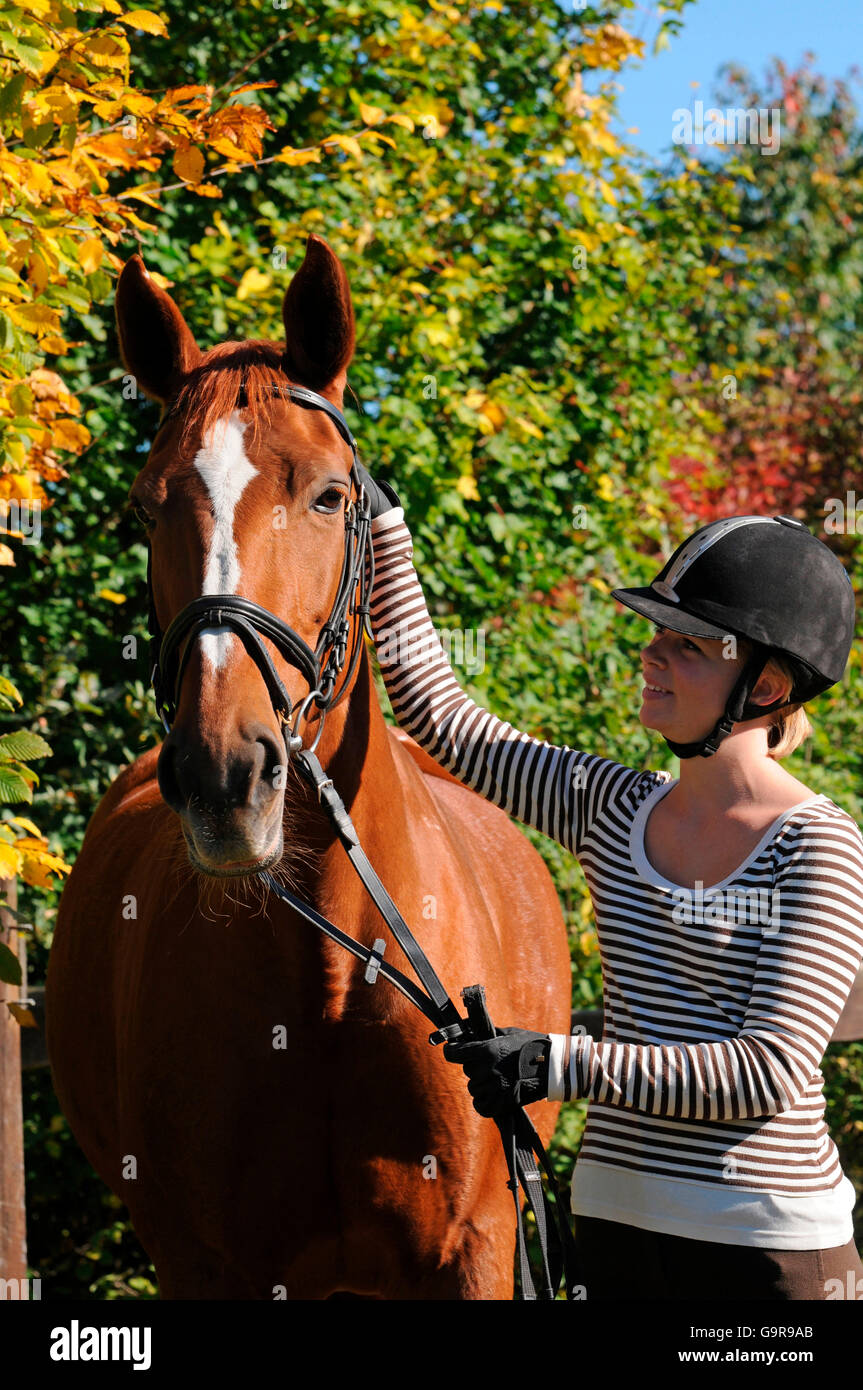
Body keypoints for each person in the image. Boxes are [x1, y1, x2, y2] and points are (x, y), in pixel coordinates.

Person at [357, 465, 863, 1301]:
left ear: (764, 688)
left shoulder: (814, 846)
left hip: (764, 1250)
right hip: (617, 1227)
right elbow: (440, 717)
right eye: (655, 634)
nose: (649, 655)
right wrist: (381, 524)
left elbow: (764, 1073)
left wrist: (556, 1063)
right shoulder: (607, 805)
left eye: (686, 646)